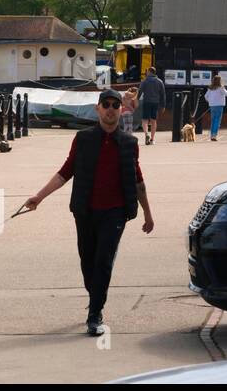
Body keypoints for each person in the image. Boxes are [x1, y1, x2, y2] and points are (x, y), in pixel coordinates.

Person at [22, 88, 155, 336]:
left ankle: (95, 314)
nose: (110, 109)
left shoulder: (129, 143)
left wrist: (147, 213)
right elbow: (65, 172)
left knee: (103, 261)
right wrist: (38, 197)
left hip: (116, 213)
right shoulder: (83, 139)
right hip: (85, 211)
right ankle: (95, 295)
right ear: (98, 109)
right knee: (88, 261)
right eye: (106, 104)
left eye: (115, 105)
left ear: (121, 109)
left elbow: (138, 181)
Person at [137, 67, 165, 145]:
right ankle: (152, 139)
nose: (146, 73)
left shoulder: (145, 81)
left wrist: (136, 100)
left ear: (149, 72)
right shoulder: (160, 81)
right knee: (153, 121)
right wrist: (163, 106)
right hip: (155, 103)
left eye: (147, 71)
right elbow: (163, 94)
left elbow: (140, 91)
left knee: (144, 120)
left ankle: (146, 134)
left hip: (146, 102)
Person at [204, 74, 227, 141]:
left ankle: (212, 135)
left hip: (212, 106)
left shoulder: (210, 88)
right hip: (219, 106)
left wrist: (210, 101)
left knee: (213, 121)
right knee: (217, 121)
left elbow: (206, 96)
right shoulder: (221, 88)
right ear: (219, 81)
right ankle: (214, 136)